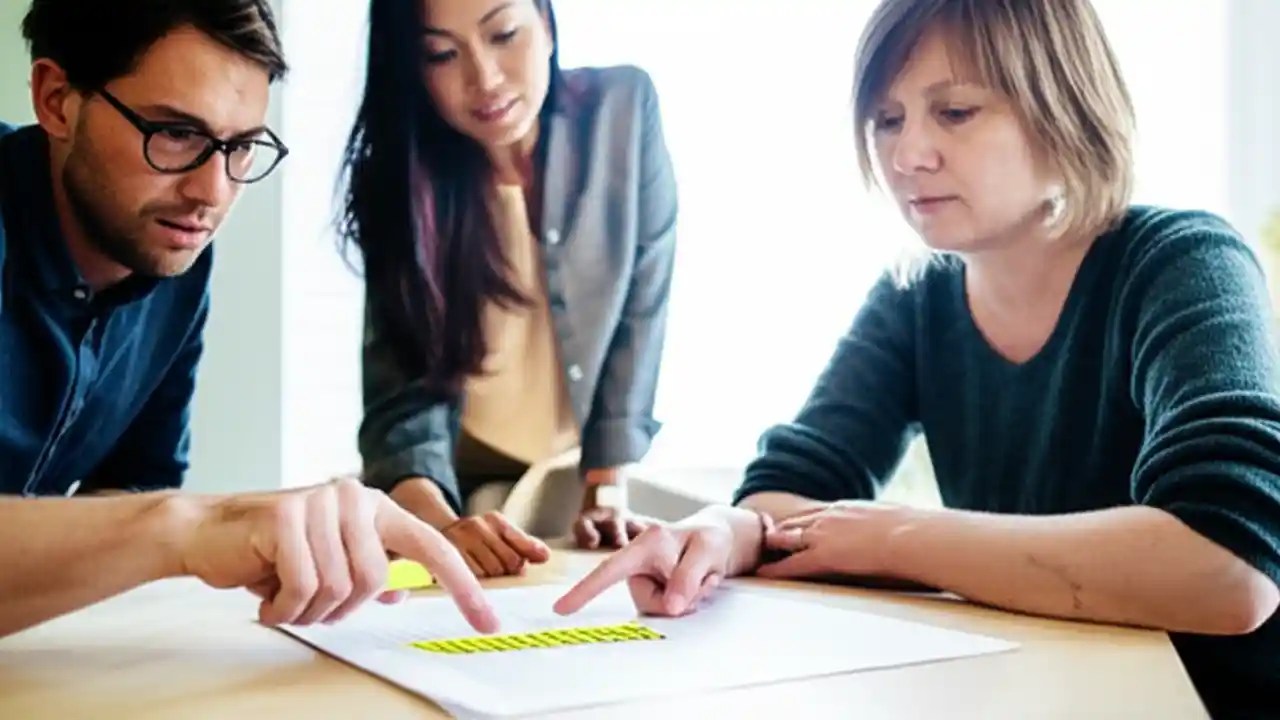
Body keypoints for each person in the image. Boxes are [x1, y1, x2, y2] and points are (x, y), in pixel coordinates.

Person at [552, 0, 1280, 716]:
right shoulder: (919, 295)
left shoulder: (1182, 261)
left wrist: (897, 536)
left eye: (956, 112)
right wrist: (729, 530)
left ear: (1063, 104)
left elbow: (1230, 566)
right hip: (1046, 693)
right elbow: (787, 491)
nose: (906, 156)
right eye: (887, 119)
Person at [0, 0, 494, 638]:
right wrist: (192, 525)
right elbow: (153, 520)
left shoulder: (174, 259)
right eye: (174, 133)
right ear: (56, 98)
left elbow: (125, 495)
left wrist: (231, 535)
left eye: (240, 147)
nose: (213, 194)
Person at [346, 0, 678, 578]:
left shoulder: (623, 110)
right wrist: (441, 525)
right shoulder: (400, 177)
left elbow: (642, 307)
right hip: (462, 475)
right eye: (441, 54)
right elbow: (402, 401)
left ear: (546, 25)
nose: (486, 79)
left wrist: (606, 484)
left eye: (503, 34)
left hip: (586, 467)